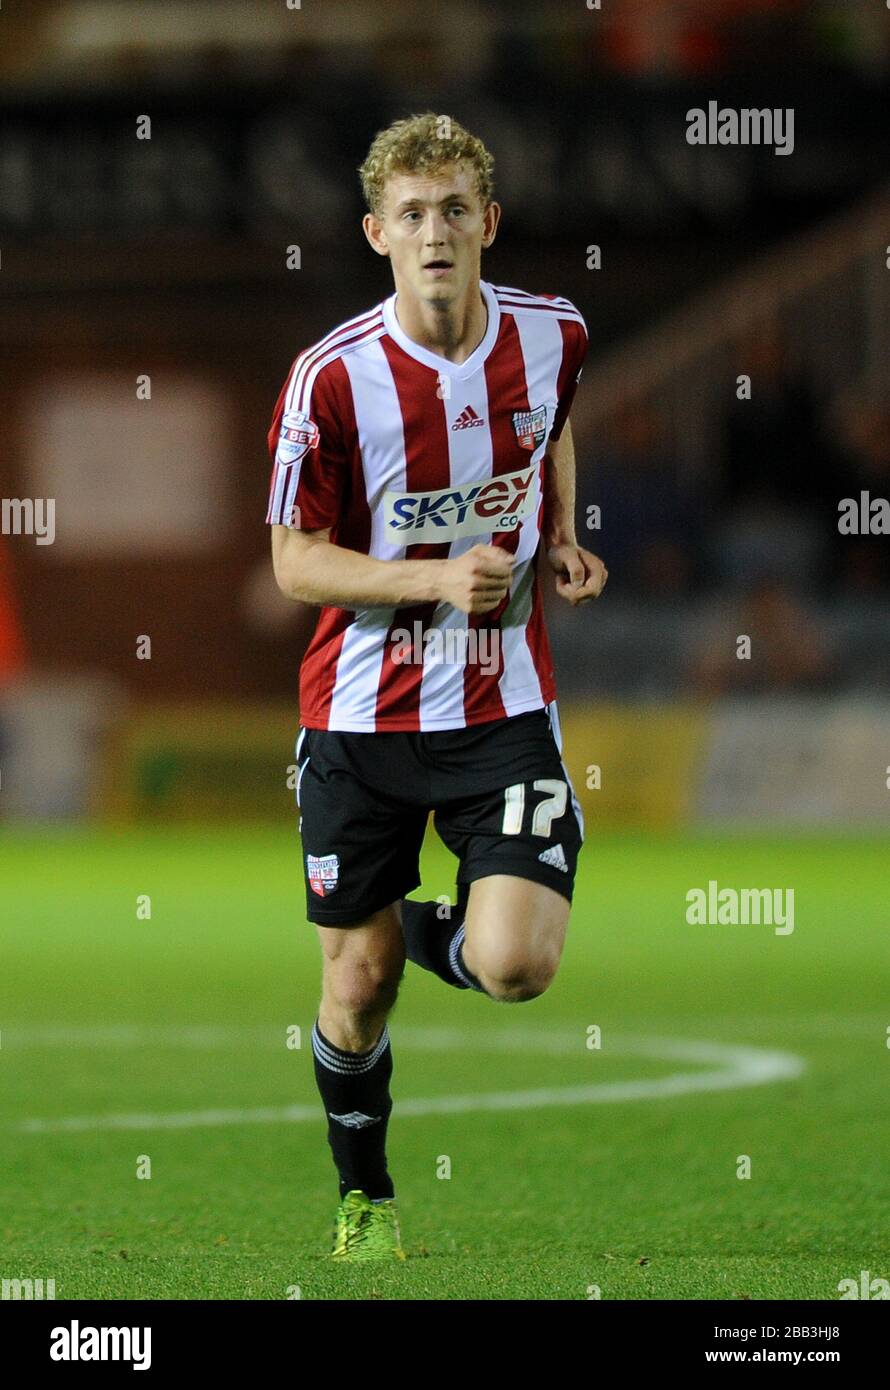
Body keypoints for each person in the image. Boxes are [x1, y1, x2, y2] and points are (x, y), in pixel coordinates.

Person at [265, 113, 607, 1261]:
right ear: (376, 234)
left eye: (455, 208)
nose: (435, 232)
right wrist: (430, 576)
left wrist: (560, 531)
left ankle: (421, 926)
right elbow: (291, 559)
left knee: (516, 964)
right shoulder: (330, 378)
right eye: (411, 214)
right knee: (353, 987)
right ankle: (363, 1195)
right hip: (356, 717)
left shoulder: (554, 333)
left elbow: (550, 427)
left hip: (502, 710)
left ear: (488, 222)